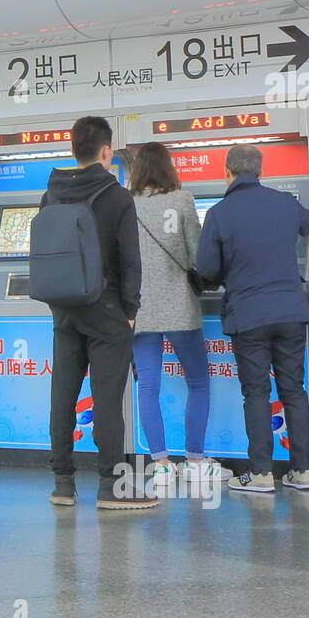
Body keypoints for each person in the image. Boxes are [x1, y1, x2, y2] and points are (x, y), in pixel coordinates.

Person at [195, 144, 309, 492]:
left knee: (256, 393)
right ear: (260, 171)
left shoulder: (219, 212)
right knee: (294, 390)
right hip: (291, 311)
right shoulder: (284, 203)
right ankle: (302, 472)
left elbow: (206, 268)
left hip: (249, 314)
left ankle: (262, 474)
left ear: (227, 172)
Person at [43, 116, 153, 510]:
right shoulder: (117, 196)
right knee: (106, 400)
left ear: (75, 150)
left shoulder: (51, 193)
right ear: (107, 151)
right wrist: (130, 311)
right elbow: (130, 262)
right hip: (106, 310)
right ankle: (111, 485)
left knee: (63, 396)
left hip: (64, 310)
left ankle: (62, 483)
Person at [128, 143, 227, 489]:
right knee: (197, 382)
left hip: (140, 308)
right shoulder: (183, 200)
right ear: (169, 167)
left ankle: (161, 465)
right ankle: (196, 461)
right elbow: (196, 255)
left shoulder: (128, 205)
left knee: (148, 387)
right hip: (180, 306)